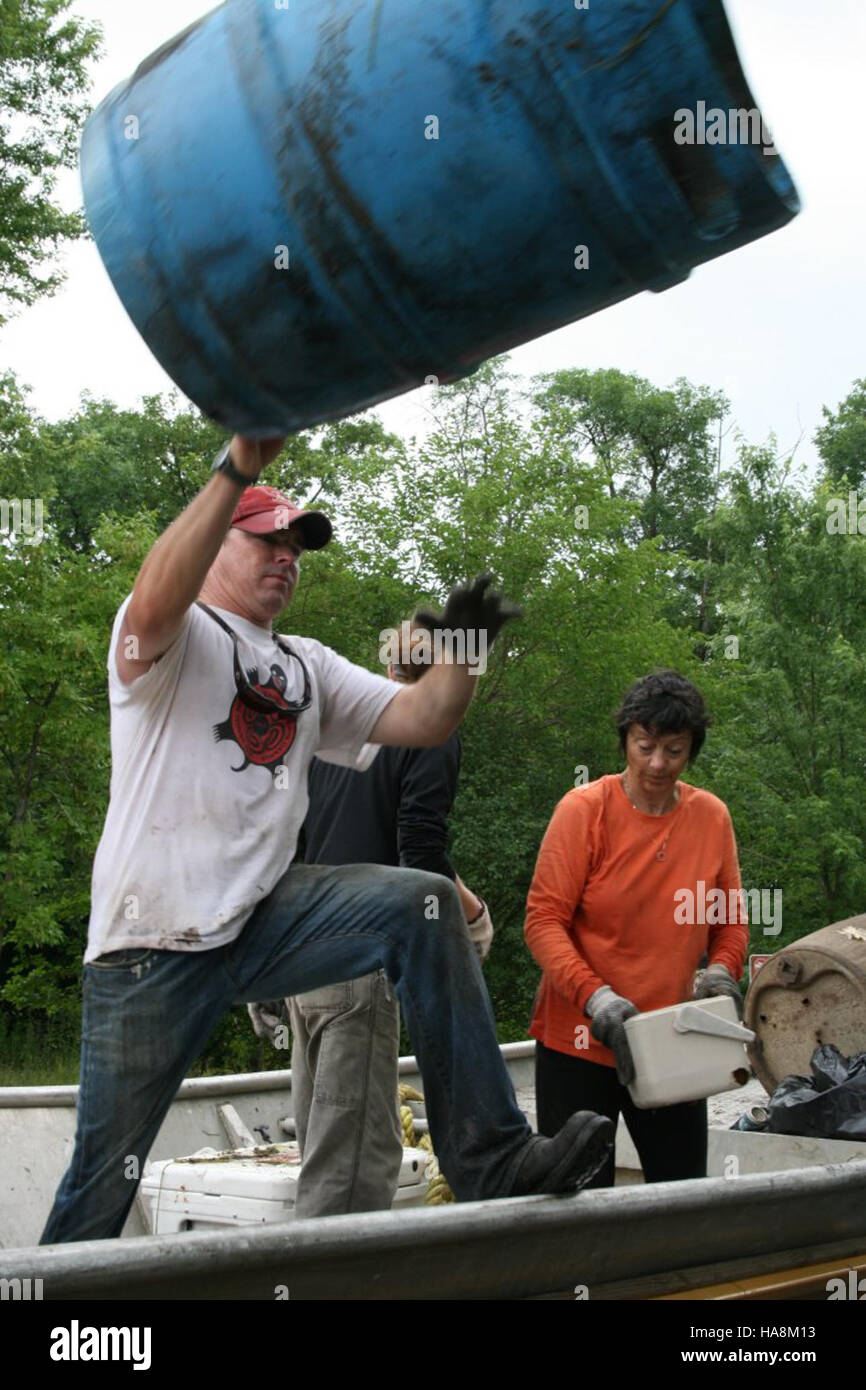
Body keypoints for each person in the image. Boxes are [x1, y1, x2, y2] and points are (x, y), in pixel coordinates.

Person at [40, 435, 614, 1245]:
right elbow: (155, 594)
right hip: (152, 942)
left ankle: (494, 1158)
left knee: (422, 902)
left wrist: (465, 653)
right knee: (101, 1182)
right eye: (266, 539)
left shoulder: (306, 665)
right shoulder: (169, 643)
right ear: (215, 544)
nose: (286, 556)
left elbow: (423, 718)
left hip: (266, 922)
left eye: (297, 545)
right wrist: (239, 465)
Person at [249, 615, 493, 1218]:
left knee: (321, 1148)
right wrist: (475, 914)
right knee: (353, 1169)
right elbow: (421, 854)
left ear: (389, 667)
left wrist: (265, 961)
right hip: (361, 965)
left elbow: (289, 846)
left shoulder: (339, 733)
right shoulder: (427, 735)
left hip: (304, 961)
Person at [524, 670, 748, 1188]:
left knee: (681, 1190)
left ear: (692, 750)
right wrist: (595, 998)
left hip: (675, 1041)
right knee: (576, 1198)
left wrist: (720, 972)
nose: (657, 764)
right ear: (625, 739)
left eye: (674, 750)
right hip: (581, 1040)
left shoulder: (710, 816)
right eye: (644, 746)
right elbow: (543, 921)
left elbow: (729, 921)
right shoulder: (584, 811)